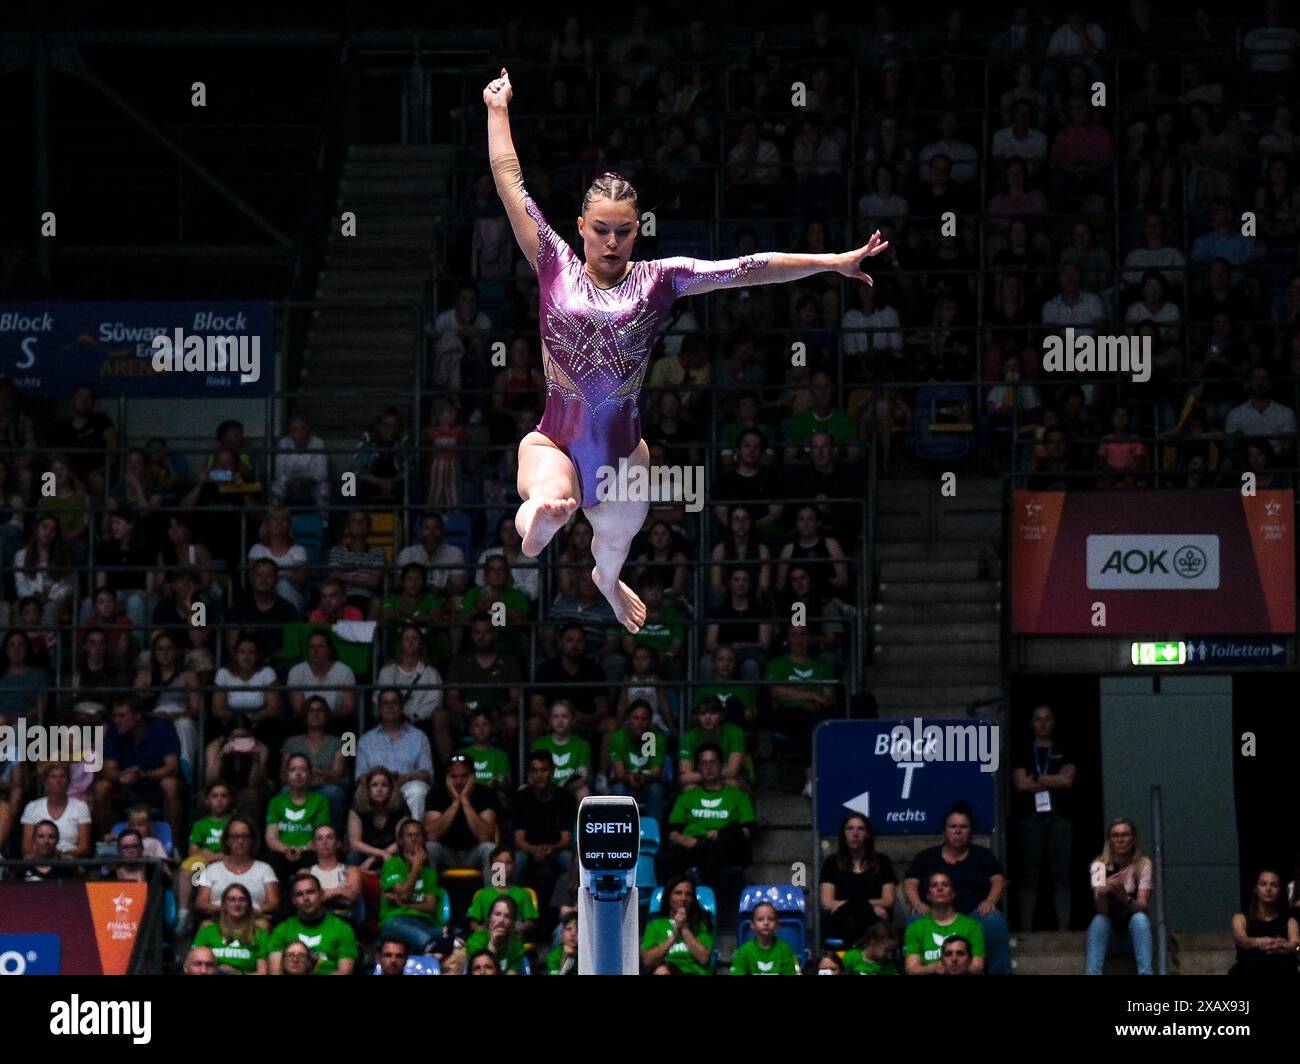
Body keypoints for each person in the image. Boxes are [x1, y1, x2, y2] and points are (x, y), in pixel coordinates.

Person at [485, 67, 888, 634]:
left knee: (617, 538)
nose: (611, 242)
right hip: (554, 438)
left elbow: (750, 268)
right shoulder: (552, 261)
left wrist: (831, 262)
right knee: (554, 495)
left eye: (623, 232)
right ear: (580, 226)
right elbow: (510, 183)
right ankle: (540, 521)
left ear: (637, 231)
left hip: (624, 456)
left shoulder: (661, 279)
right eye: (600, 229)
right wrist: (497, 109)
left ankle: (605, 576)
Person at [902, 804, 1010, 974]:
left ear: (970, 831)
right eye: (953, 827)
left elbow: (998, 879)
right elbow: (909, 882)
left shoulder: (982, 855)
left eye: (963, 827)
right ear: (944, 831)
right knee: (914, 921)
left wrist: (990, 902)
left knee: (993, 922)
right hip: (935, 913)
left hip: (975, 913)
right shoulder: (926, 856)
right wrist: (917, 903)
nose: (958, 831)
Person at [1012, 704, 1076, 930]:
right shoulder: (1022, 750)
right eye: (1038, 719)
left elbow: (1067, 781)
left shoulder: (1064, 748)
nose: (1042, 723)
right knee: (1029, 876)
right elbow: (1020, 784)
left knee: (1062, 876)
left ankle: (1064, 929)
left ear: (1053, 722)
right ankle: (1026, 930)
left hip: (1059, 818)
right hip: (1031, 819)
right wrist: (1052, 778)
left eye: (1047, 719)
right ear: (1031, 723)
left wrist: (1037, 776)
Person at [658, 743, 756, 889]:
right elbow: (671, 831)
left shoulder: (738, 795)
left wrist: (721, 835)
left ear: (722, 766)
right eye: (704, 763)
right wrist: (684, 840)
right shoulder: (687, 797)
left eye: (713, 762)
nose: (708, 767)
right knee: (663, 858)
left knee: (733, 830)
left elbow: (748, 830)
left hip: (726, 848)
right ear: (698, 769)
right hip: (696, 846)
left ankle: (700, 874)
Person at [93, 697, 183, 842]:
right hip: (126, 788)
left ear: (138, 715)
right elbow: (108, 770)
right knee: (101, 788)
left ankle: (174, 845)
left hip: (155, 786)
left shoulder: (163, 727)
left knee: (170, 785)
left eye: (122, 716)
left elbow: (172, 767)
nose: (117, 720)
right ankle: (109, 841)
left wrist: (143, 774)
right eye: (115, 716)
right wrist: (123, 775)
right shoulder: (114, 730)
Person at [1085, 816, 1154, 975]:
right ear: (1109, 840)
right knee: (1098, 921)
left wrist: (1124, 896)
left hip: (1133, 936)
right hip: (1109, 937)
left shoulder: (1143, 864)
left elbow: (1142, 905)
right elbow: (1101, 910)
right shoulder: (1099, 865)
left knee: (1140, 919)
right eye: (1115, 835)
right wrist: (1103, 892)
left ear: (1133, 839)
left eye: (1125, 835)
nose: (1120, 840)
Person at [354, 687, 434, 819]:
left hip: (406, 785)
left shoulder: (419, 737)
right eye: (385, 703)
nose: (390, 706)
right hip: (377, 788)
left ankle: (413, 834)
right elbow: (359, 776)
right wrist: (382, 782)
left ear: (402, 707)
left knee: (417, 790)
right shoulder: (366, 740)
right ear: (378, 709)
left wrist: (406, 778)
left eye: (394, 702)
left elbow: (427, 774)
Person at [820, 813, 896, 946]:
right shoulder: (832, 862)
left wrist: (849, 904)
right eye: (849, 829)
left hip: (872, 923)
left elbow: (888, 900)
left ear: (867, 834)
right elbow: (827, 903)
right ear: (843, 835)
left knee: (870, 916)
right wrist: (867, 906)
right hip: (841, 921)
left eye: (860, 829)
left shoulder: (882, 862)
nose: (855, 833)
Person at [511, 751, 576, 900]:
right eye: (535, 771)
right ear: (529, 774)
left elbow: (566, 839)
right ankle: (513, 906)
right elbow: (518, 839)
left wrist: (551, 848)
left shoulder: (565, 797)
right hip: (529, 850)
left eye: (544, 770)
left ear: (552, 771)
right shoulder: (522, 798)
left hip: (557, 849)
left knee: (567, 858)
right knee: (518, 859)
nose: (539, 775)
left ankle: (572, 909)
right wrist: (534, 850)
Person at [193, 817, 281, 928]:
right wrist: (227, 910)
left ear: (252, 840)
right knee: (206, 926)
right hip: (219, 920)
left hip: (253, 921)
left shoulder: (265, 869)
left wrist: (249, 911)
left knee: (263, 925)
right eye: (235, 836)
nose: (240, 841)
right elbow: (201, 902)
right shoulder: (211, 869)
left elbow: (273, 902)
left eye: (245, 836)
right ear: (227, 840)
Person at [423, 753, 499, 877]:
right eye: (454, 776)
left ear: (473, 777)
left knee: (492, 849)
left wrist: (464, 801)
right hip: (446, 854)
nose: (458, 781)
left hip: (474, 853)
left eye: (464, 776)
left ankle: (497, 895)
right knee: (429, 847)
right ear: (447, 777)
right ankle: (427, 893)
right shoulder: (436, 793)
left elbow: (485, 837)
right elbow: (432, 835)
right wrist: (455, 802)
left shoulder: (486, 793)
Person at [267, 873, 359, 975]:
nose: (305, 898)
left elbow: (344, 971)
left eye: (310, 892)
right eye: (299, 894)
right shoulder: (282, 930)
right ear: (293, 901)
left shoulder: (342, 928)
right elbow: (275, 971)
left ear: (321, 894)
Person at [280, 697, 348, 830]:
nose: (315, 714)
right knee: (285, 791)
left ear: (326, 715)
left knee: (333, 794)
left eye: (320, 710)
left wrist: (311, 773)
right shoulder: (291, 742)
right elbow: (284, 775)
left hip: (326, 786)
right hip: (297, 786)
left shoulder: (339, 742)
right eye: (311, 711)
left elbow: (337, 773)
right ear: (304, 716)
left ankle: (334, 836)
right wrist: (310, 776)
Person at [379, 818, 445, 954]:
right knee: (392, 927)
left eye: (417, 835)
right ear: (401, 841)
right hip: (397, 921)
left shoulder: (430, 873)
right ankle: (428, 944)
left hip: (424, 923)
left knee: (450, 932)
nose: (413, 839)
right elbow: (404, 895)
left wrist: (404, 905)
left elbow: (430, 906)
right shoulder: (392, 865)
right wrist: (416, 868)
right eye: (409, 835)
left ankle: (431, 941)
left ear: (423, 840)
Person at [264, 753, 331, 884]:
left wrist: (301, 849)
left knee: (314, 858)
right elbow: (271, 837)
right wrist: (286, 849)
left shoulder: (320, 801)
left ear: (310, 774)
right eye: (293, 769)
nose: (298, 774)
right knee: (270, 860)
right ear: (286, 775)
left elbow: (321, 835)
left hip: (309, 852)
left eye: (303, 769)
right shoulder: (276, 802)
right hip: (282, 852)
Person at [902, 871, 986, 975]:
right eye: (934, 885)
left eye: (945, 885)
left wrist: (951, 969)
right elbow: (911, 968)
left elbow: (977, 966)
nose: (940, 888)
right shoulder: (914, 928)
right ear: (928, 895)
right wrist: (931, 968)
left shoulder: (972, 926)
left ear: (953, 893)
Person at [177, 782, 233, 933]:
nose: (219, 800)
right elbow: (193, 851)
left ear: (229, 800)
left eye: (223, 796)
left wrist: (209, 854)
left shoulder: (233, 823)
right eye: (215, 796)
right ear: (207, 800)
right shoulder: (200, 824)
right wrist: (216, 856)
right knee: (187, 868)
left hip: (228, 861)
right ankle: (184, 913)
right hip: (205, 863)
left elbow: (234, 849)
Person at [607, 698, 667, 824]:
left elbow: (655, 772)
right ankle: (620, 835)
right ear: (628, 719)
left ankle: (654, 836)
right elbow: (619, 773)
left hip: (648, 784)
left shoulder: (654, 738)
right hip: (625, 784)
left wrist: (644, 778)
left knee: (656, 790)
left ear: (650, 721)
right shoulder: (618, 738)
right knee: (618, 790)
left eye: (644, 719)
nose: (639, 723)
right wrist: (630, 779)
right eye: (635, 718)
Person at [640, 875, 714, 975]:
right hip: (668, 971)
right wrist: (674, 936)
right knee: (661, 971)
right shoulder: (655, 926)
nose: (683, 898)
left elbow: (704, 959)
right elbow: (647, 961)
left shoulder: (701, 925)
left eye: (688, 894)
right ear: (668, 897)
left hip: (694, 973)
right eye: (678, 893)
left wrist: (683, 927)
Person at [1230, 868, 1299, 976]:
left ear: (1280, 890)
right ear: (1255, 889)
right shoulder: (1240, 918)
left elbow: (1297, 945)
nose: (1268, 888)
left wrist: (1288, 946)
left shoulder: (1289, 920)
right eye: (1263, 884)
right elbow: (1241, 940)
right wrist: (1261, 942)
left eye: (1274, 885)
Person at [191, 882, 270, 975]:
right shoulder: (208, 930)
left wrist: (237, 973)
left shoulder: (260, 934)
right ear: (223, 904)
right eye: (232, 899)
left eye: (242, 900)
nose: (237, 904)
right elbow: (192, 964)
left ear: (248, 905)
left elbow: (262, 973)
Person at [20, 761, 92, 858]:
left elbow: (84, 847)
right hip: (39, 859)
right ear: (45, 781)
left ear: (69, 781)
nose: (58, 780)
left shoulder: (80, 807)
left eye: (62, 776)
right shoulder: (32, 807)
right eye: (53, 776)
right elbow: (27, 848)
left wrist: (61, 855)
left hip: (69, 861)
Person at [466, 846, 539, 937]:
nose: (503, 867)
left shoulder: (523, 894)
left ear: (515, 867)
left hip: (514, 939)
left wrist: (518, 928)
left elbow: (531, 921)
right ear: (491, 867)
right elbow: (473, 921)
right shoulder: (482, 894)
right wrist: (481, 930)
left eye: (508, 863)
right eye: (499, 863)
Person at [531, 699, 592, 798]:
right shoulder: (539, 744)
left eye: (565, 716)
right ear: (550, 721)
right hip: (545, 788)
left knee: (583, 791)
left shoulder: (581, 744)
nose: (560, 721)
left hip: (570, 788)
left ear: (572, 720)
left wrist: (562, 789)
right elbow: (533, 775)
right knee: (523, 789)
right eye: (555, 717)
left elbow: (583, 777)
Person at [730, 901, 798, 975]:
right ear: (752, 925)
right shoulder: (743, 952)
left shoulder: (785, 950)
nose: (766, 923)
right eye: (760, 919)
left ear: (777, 924)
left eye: (771, 919)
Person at [308, 824, 362, 918]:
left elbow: (351, 896)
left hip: (343, 919)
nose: (325, 842)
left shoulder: (351, 871)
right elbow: (307, 900)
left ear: (337, 843)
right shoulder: (306, 872)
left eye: (329, 837)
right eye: (320, 838)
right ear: (313, 846)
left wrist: (320, 894)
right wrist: (339, 890)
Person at [465, 895, 528, 974]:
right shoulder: (474, 942)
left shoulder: (516, 945)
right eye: (497, 914)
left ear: (512, 923)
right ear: (489, 918)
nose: (501, 920)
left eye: (507, 916)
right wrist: (493, 944)